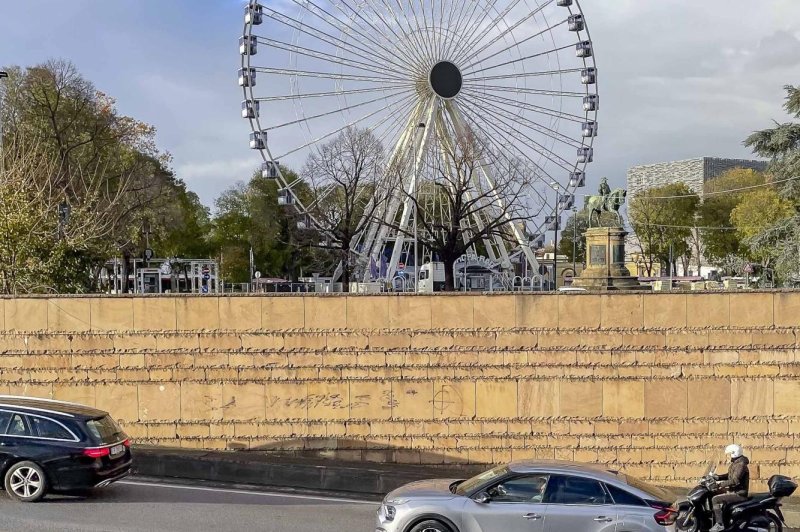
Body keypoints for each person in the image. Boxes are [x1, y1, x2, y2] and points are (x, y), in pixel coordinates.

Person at [709, 444, 750, 532]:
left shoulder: (740, 465)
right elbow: (729, 476)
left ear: (734, 453)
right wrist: (718, 477)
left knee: (715, 500)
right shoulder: (736, 463)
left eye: (729, 454)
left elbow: (735, 480)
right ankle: (722, 518)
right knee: (715, 492)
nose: (728, 456)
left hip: (739, 493)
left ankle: (719, 524)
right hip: (735, 490)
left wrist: (720, 485)